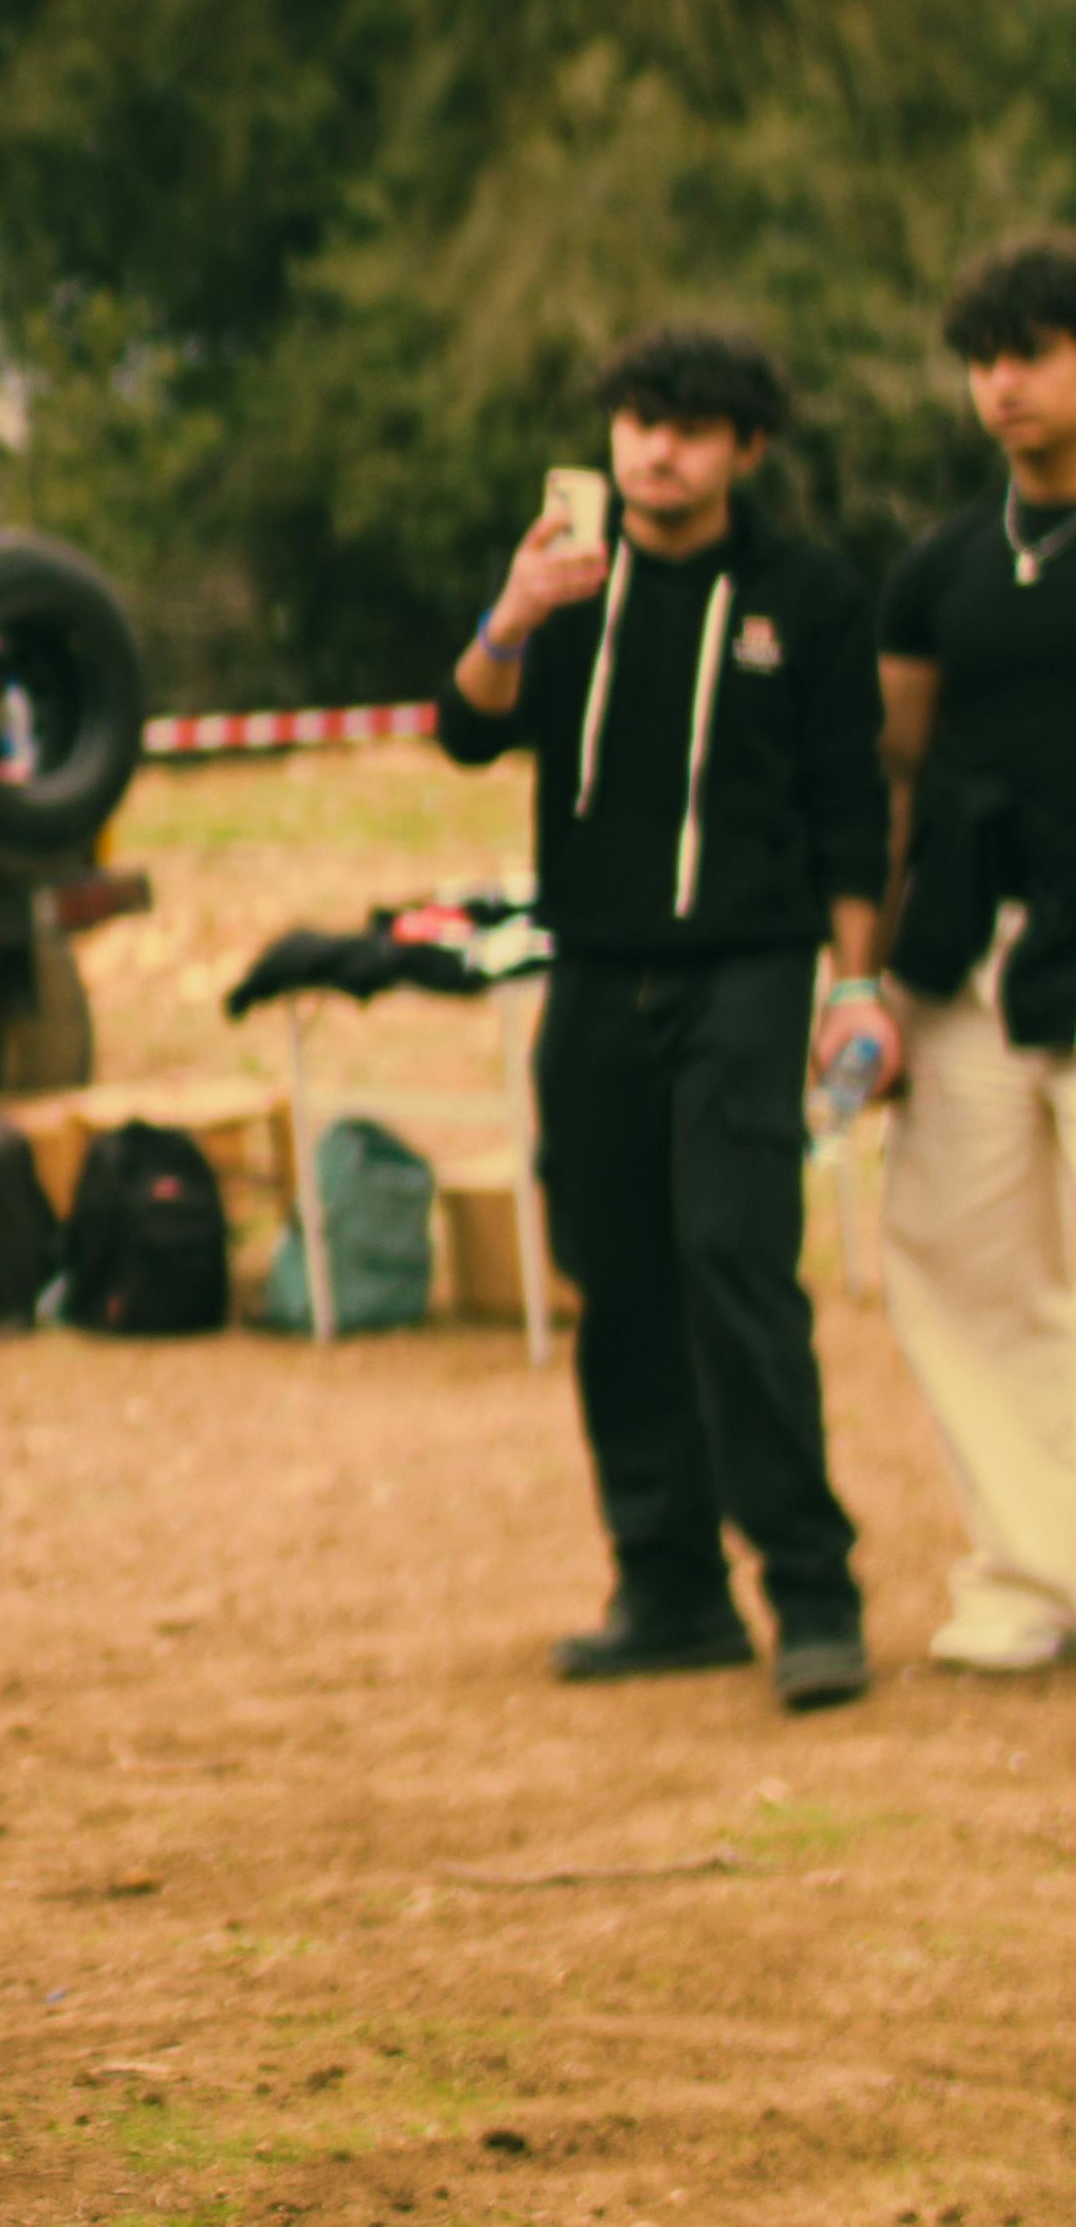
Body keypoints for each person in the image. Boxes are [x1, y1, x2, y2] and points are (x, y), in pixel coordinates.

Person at [438, 323, 890, 1712]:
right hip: (588, 972)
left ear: (742, 447)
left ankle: (810, 1593)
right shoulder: (565, 579)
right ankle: (667, 1585)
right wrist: (509, 612)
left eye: (688, 426)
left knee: (731, 1260)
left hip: (746, 972)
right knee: (614, 1272)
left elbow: (849, 809)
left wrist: (854, 985)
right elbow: (463, 729)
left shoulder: (804, 594)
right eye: (638, 419)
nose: (654, 447)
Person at [876, 233, 1076, 1669]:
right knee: (959, 1263)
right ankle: (1026, 1576)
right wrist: (872, 981)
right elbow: (895, 765)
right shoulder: (938, 564)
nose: (998, 384)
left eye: (1028, 352)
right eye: (980, 358)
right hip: (968, 960)